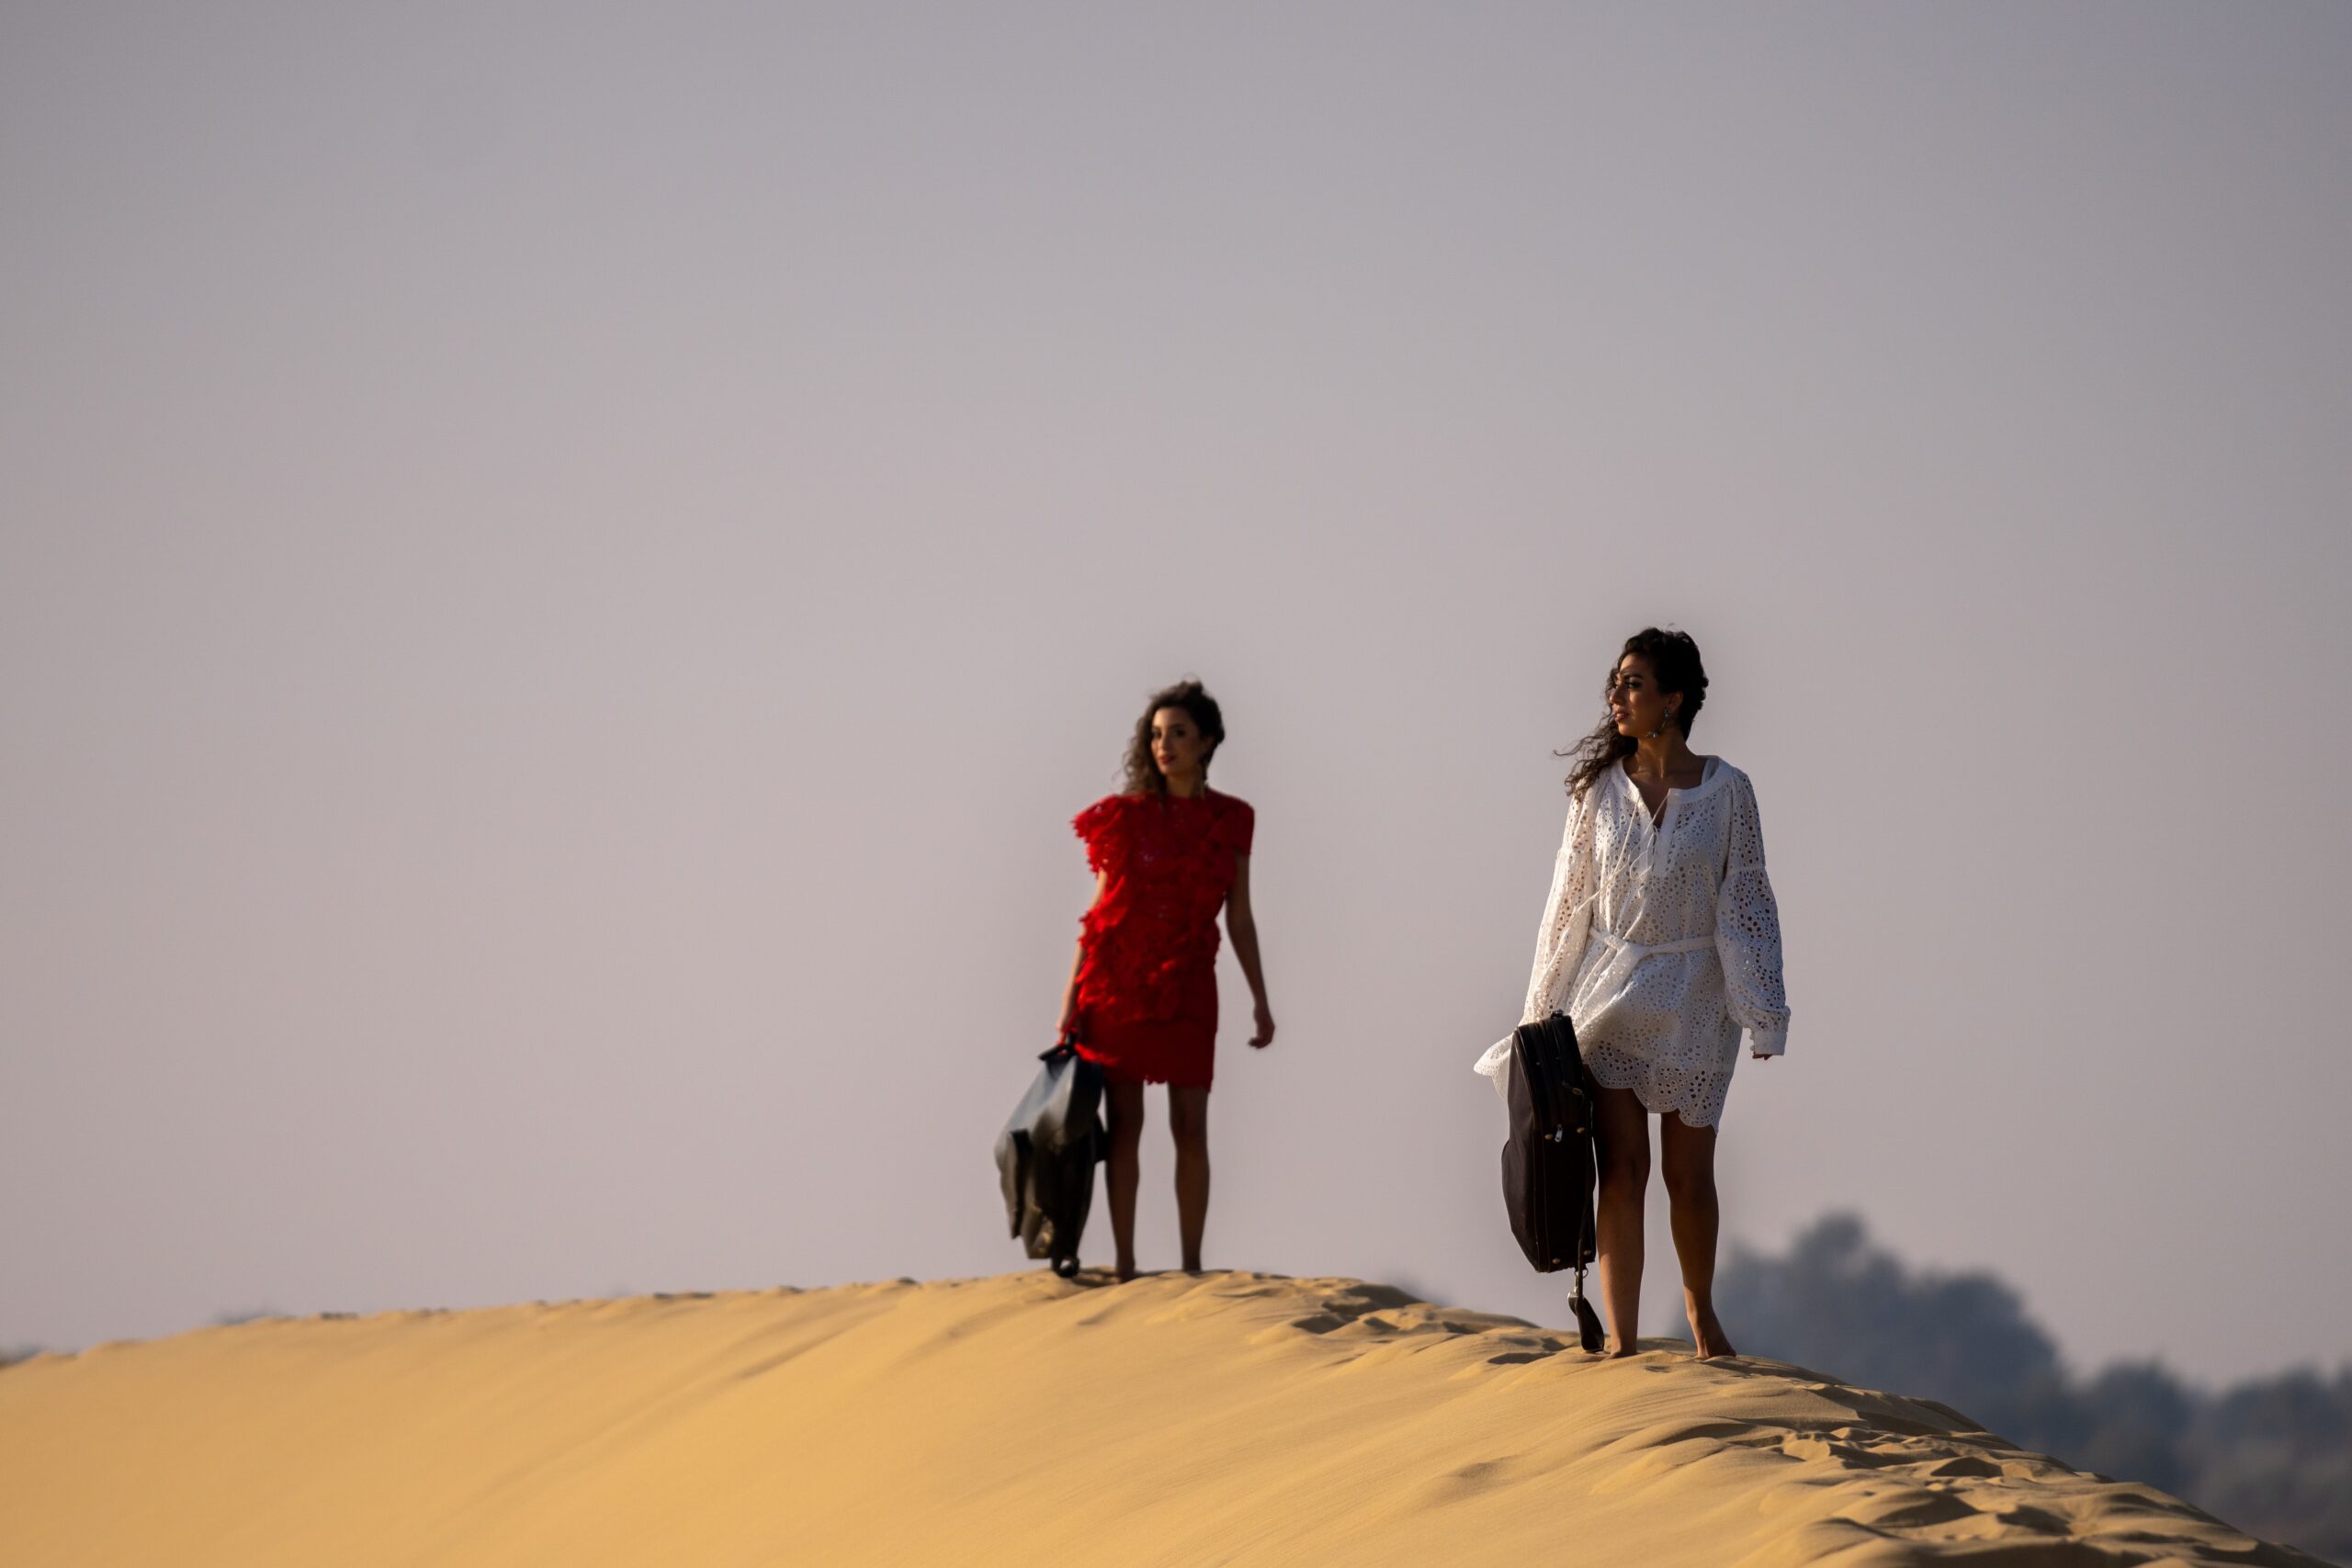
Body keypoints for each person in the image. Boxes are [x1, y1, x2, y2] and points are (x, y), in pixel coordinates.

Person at [1478, 627, 1789, 1359]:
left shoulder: (1728, 791)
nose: (1616, 696)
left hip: (1696, 1001)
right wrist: (1537, 1022)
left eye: (1634, 684)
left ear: (1673, 699)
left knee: (1690, 1175)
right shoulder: (1597, 793)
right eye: (1615, 683)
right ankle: (1622, 1339)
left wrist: (1762, 1011)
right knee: (1621, 1167)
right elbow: (1566, 911)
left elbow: (1746, 903)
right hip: (1609, 997)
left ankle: (1701, 1317)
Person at [1060, 679, 1275, 1281]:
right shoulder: (1126, 819)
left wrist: (1260, 999)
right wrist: (1069, 1004)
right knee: (1125, 1126)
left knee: (1191, 1127)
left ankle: (1190, 1269)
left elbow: (1240, 917)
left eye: (1178, 733)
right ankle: (1125, 1266)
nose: (1164, 745)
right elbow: (1099, 915)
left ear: (1207, 741)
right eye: (1156, 734)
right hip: (1120, 985)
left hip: (1190, 985)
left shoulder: (1234, 819)